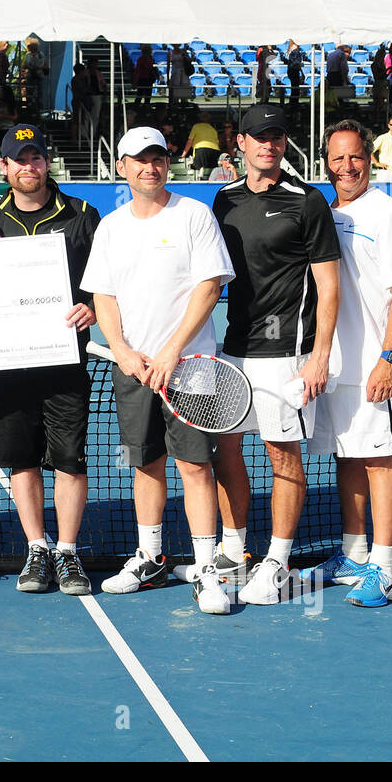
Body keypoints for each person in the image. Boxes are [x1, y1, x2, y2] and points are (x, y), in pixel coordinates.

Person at [81, 127, 235, 613]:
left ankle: (207, 568)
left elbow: (209, 287)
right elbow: (102, 295)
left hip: (188, 368)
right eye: (140, 159)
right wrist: (123, 350)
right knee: (145, 464)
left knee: (194, 465)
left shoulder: (194, 215)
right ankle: (150, 556)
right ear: (122, 167)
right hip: (132, 370)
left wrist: (170, 351)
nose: (151, 167)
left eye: (159, 158)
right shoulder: (110, 227)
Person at [211, 103, 341, 604]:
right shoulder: (222, 201)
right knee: (227, 450)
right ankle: (234, 546)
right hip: (234, 349)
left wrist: (319, 354)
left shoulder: (307, 202)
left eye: (277, 136)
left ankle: (278, 560)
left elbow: (329, 286)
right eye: (258, 136)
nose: (269, 144)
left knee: (281, 454)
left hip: (286, 352)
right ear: (240, 144)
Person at [300, 119, 392, 607]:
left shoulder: (388, 214)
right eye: (338, 158)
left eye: (356, 157)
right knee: (346, 456)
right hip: (333, 368)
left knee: (378, 459)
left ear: (369, 158)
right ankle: (354, 553)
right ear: (325, 163)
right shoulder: (324, 212)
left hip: (374, 363)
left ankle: (385, 565)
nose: (347, 167)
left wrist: (389, 358)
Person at [0, 124, 100, 595]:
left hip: (66, 361)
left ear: (46, 162)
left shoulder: (81, 214)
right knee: (22, 459)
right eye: (19, 159)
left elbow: (105, 277)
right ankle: (36, 548)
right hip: (10, 363)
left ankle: (67, 552)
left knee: (69, 460)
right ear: (5, 166)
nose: (29, 167)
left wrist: (91, 302)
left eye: (36, 158)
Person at [179, 108, 219, 178]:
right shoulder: (213, 129)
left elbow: (190, 141)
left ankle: (201, 170)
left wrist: (183, 155)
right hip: (214, 150)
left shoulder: (196, 126)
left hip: (201, 149)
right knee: (211, 169)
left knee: (198, 166)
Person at [132, 44, 157, 109]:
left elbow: (137, 71)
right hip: (146, 79)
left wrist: (135, 82)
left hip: (144, 79)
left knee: (140, 95)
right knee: (146, 96)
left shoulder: (142, 59)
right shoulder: (149, 59)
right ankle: (144, 108)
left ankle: (137, 108)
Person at [287, 40, 306, 108]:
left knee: (294, 87)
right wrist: (301, 65)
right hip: (294, 71)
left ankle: (293, 102)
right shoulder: (295, 51)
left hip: (292, 70)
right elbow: (296, 63)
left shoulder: (291, 50)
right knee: (295, 88)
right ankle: (294, 103)